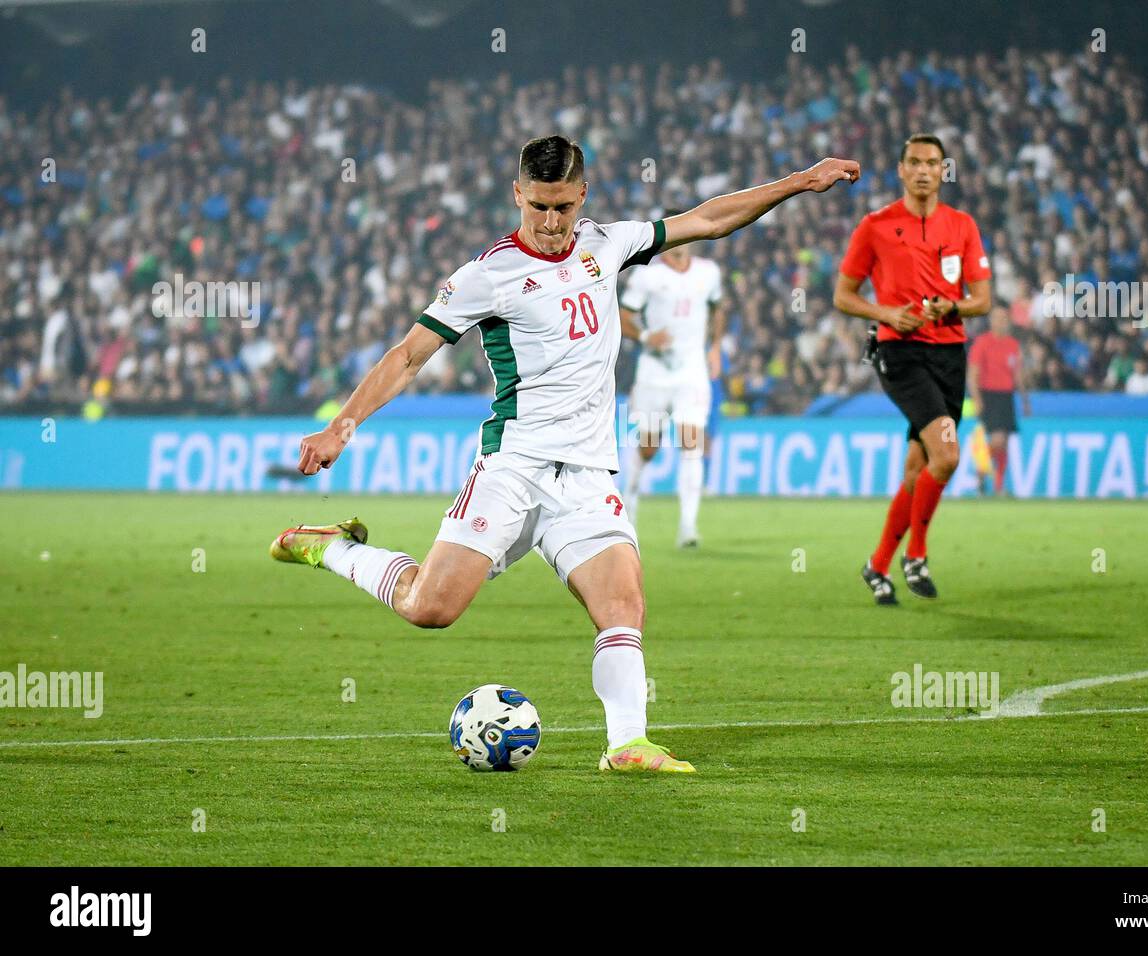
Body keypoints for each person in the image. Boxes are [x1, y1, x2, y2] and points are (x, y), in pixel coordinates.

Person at [270, 135, 859, 771]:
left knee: (623, 605)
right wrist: (341, 426)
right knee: (430, 608)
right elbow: (409, 355)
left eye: (564, 208)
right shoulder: (486, 275)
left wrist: (799, 181)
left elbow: (707, 220)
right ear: (518, 194)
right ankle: (329, 545)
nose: (552, 224)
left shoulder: (609, 242)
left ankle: (627, 744)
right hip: (513, 468)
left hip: (585, 476)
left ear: (583, 194)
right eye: (539, 208)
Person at [833, 133, 991, 605]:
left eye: (933, 163)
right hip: (899, 351)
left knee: (917, 466)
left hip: (949, 352)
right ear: (901, 170)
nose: (924, 170)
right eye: (915, 162)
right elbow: (843, 295)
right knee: (947, 457)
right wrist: (886, 314)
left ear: (944, 171)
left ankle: (877, 564)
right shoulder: (876, 226)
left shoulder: (962, 226)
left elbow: (982, 301)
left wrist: (951, 308)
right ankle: (916, 555)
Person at [618, 222, 724, 547]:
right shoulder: (647, 274)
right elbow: (623, 316)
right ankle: (628, 505)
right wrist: (648, 336)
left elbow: (717, 308)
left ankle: (688, 527)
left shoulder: (708, 272)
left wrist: (716, 346)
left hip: (691, 371)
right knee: (648, 448)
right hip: (653, 372)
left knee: (691, 442)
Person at [967, 306, 1030, 496]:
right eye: (998, 318)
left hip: (1006, 396)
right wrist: (977, 399)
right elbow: (973, 374)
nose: (1002, 322)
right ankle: (980, 473)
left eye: (1004, 318)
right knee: (997, 440)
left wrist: (1025, 400)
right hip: (989, 395)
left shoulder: (1013, 345)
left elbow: (1018, 375)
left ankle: (998, 487)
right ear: (992, 321)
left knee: (1005, 443)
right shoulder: (982, 343)